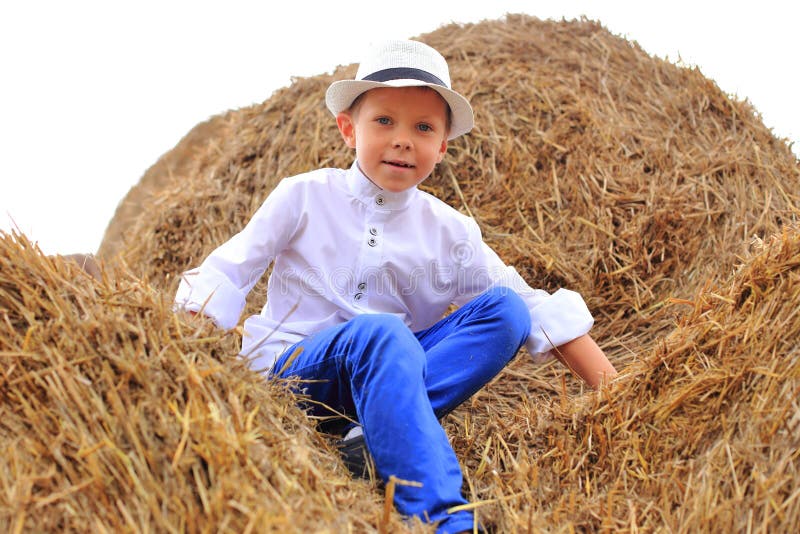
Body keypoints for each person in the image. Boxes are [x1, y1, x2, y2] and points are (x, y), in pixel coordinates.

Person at [175, 39, 617, 534]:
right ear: (349, 129)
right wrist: (179, 363)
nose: (403, 139)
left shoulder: (449, 231)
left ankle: (371, 437)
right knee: (382, 332)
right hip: (298, 372)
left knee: (506, 311)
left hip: (392, 373)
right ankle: (441, 518)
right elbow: (227, 271)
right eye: (384, 121)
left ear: (443, 146)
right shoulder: (303, 195)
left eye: (423, 127)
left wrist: (620, 397)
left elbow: (533, 308)